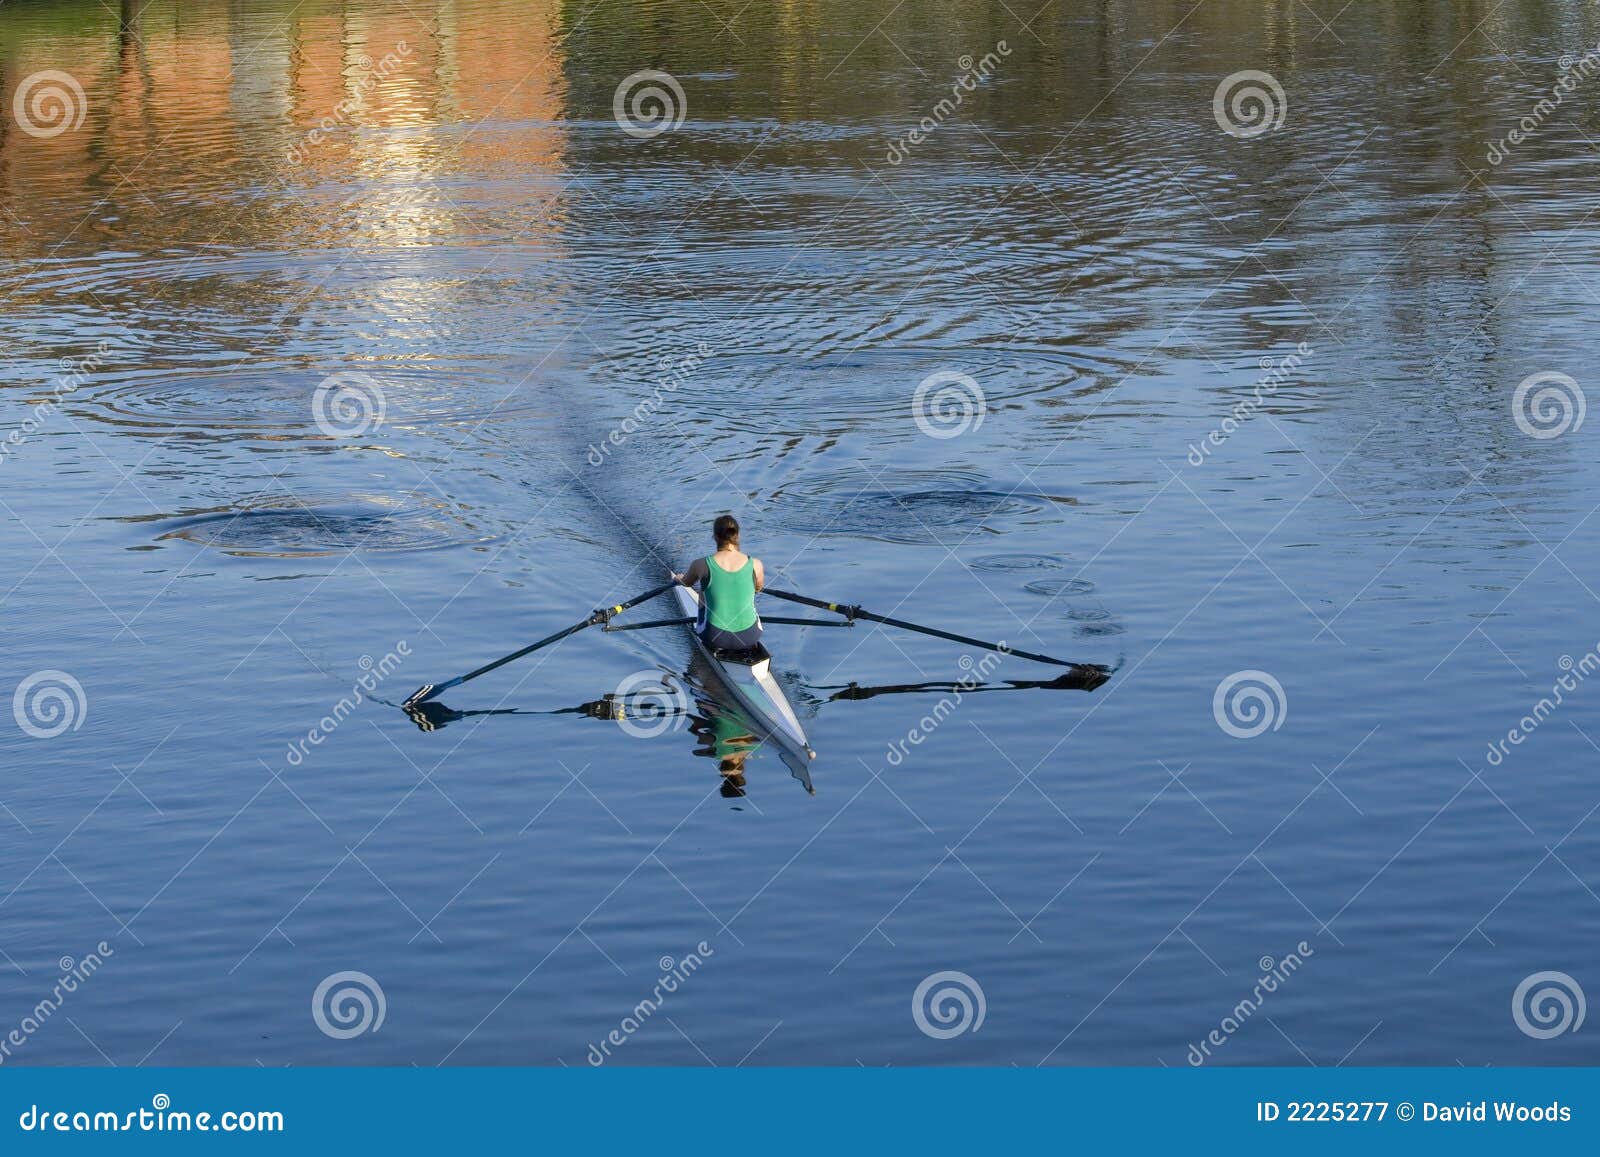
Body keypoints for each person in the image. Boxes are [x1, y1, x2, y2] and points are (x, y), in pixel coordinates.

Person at [673, 514, 764, 653]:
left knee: (704, 590)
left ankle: (705, 628)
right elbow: (758, 589)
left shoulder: (700, 564)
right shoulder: (756, 564)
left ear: (715, 537)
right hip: (750, 636)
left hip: (715, 637)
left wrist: (678, 579)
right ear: (738, 536)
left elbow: (686, 583)